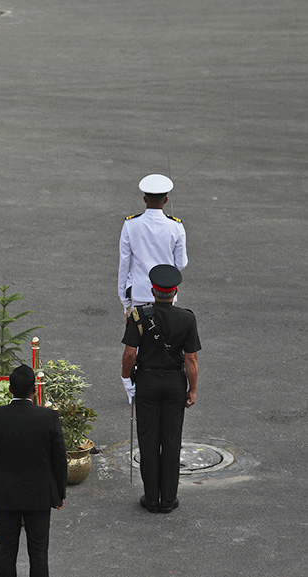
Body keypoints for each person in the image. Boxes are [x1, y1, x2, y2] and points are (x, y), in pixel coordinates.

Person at [121, 264, 201, 514]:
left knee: (148, 439)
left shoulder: (138, 316)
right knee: (171, 439)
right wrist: (193, 389)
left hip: (147, 382)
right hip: (175, 384)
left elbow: (130, 353)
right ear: (174, 291)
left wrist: (126, 377)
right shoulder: (187, 318)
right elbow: (191, 359)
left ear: (153, 291)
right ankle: (168, 499)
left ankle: (150, 497)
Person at [0, 364, 67, 577]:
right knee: (39, 553)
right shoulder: (48, 418)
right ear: (34, 390)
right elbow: (59, 459)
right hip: (40, 495)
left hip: (5, 494)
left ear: (9, 389)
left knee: (6, 552)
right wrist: (60, 493)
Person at [117, 174, 187, 315]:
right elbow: (181, 264)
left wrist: (122, 295)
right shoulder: (176, 226)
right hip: (165, 292)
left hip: (139, 291)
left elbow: (124, 261)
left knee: (138, 334)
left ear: (144, 199)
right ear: (166, 200)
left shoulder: (131, 225)